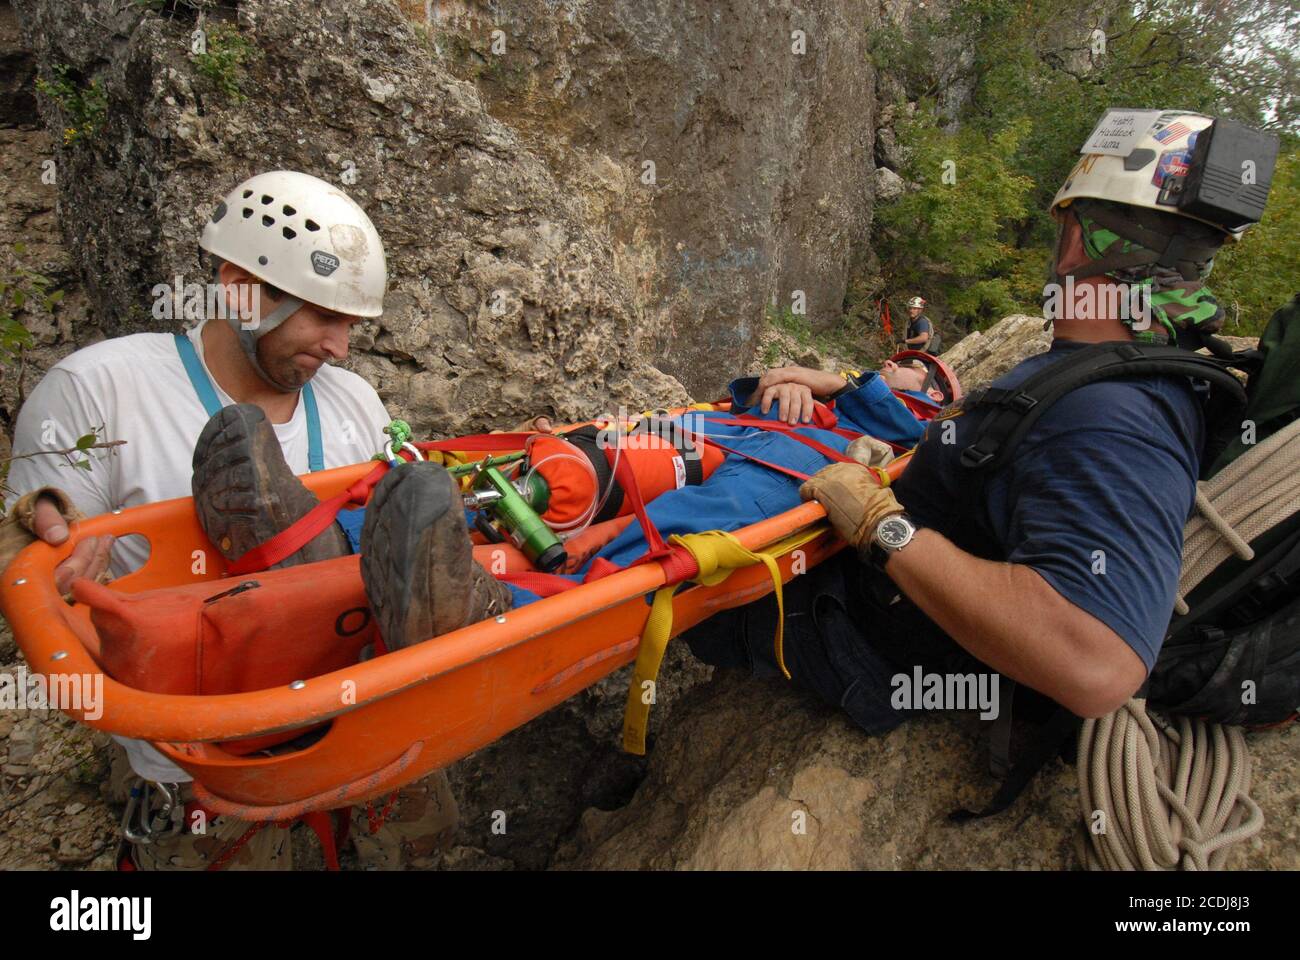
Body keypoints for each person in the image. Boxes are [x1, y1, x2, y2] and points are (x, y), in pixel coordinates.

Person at [686, 108, 1278, 736]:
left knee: (692, 552)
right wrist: (847, 387)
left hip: (855, 635)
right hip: (897, 602)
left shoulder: (1113, 413)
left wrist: (884, 532)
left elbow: (1099, 667)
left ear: (1076, 239)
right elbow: (997, 448)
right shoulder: (1112, 369)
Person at [0, 170, 456, 870]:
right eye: (324, 318)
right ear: (241, 288)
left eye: (351, 326)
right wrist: (44, 540)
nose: (340, 348)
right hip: (200, 763)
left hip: (361, 724)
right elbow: (37, 546)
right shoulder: (99, 390)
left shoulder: (353, 403)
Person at [186, 356, 947, 654]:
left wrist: (844, 386)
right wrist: (791, 376)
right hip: (722, 427)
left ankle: (494, 604)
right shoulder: (826, 382)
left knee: (683, 532)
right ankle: (324, 533)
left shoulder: (912, 422)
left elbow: (909, 430)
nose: (897, 369)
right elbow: (752, 388)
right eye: (898, 363)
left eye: (915, 370)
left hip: (813, 468)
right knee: (557, 470)